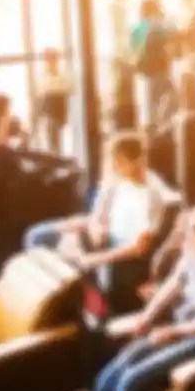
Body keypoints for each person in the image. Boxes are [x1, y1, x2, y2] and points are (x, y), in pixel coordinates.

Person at [92, 202, 195, 391]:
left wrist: (172, 331)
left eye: (192, 229)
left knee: (131, 379)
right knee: (115, 369)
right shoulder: (192, 253)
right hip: (179, 326)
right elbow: (170, 288)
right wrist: (146, 317)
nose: (187, 235)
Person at [25, 132, 173, 309]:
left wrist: (93, 259)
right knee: (37, 235)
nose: (112, 166)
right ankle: (43, 300)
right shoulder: (119, 180)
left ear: (129, 161)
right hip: (104, 236)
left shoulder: (150, 195)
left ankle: (75, 309)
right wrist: (83, 230)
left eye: (116, 162)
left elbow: (139, 247)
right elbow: (99, 216)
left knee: (67, 259)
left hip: (120, 249)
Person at [131, 0, 176, 127]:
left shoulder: (137, 29)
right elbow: (171, 39)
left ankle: (151, 130)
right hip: (158, 72)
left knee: (149, 110)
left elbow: (134, 50)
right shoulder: (156, 27)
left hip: (143, 74)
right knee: (165, 102)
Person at [36, 48, 75, 154]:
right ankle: (54, 153)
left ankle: (56, 153)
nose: (50, 61)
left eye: (52, 58)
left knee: (56, 133)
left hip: (58, 105)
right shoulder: (42, 76)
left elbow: (68, 88)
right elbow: (42, 91)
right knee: (51, 135)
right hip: (49, 106)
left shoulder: (63, 75)